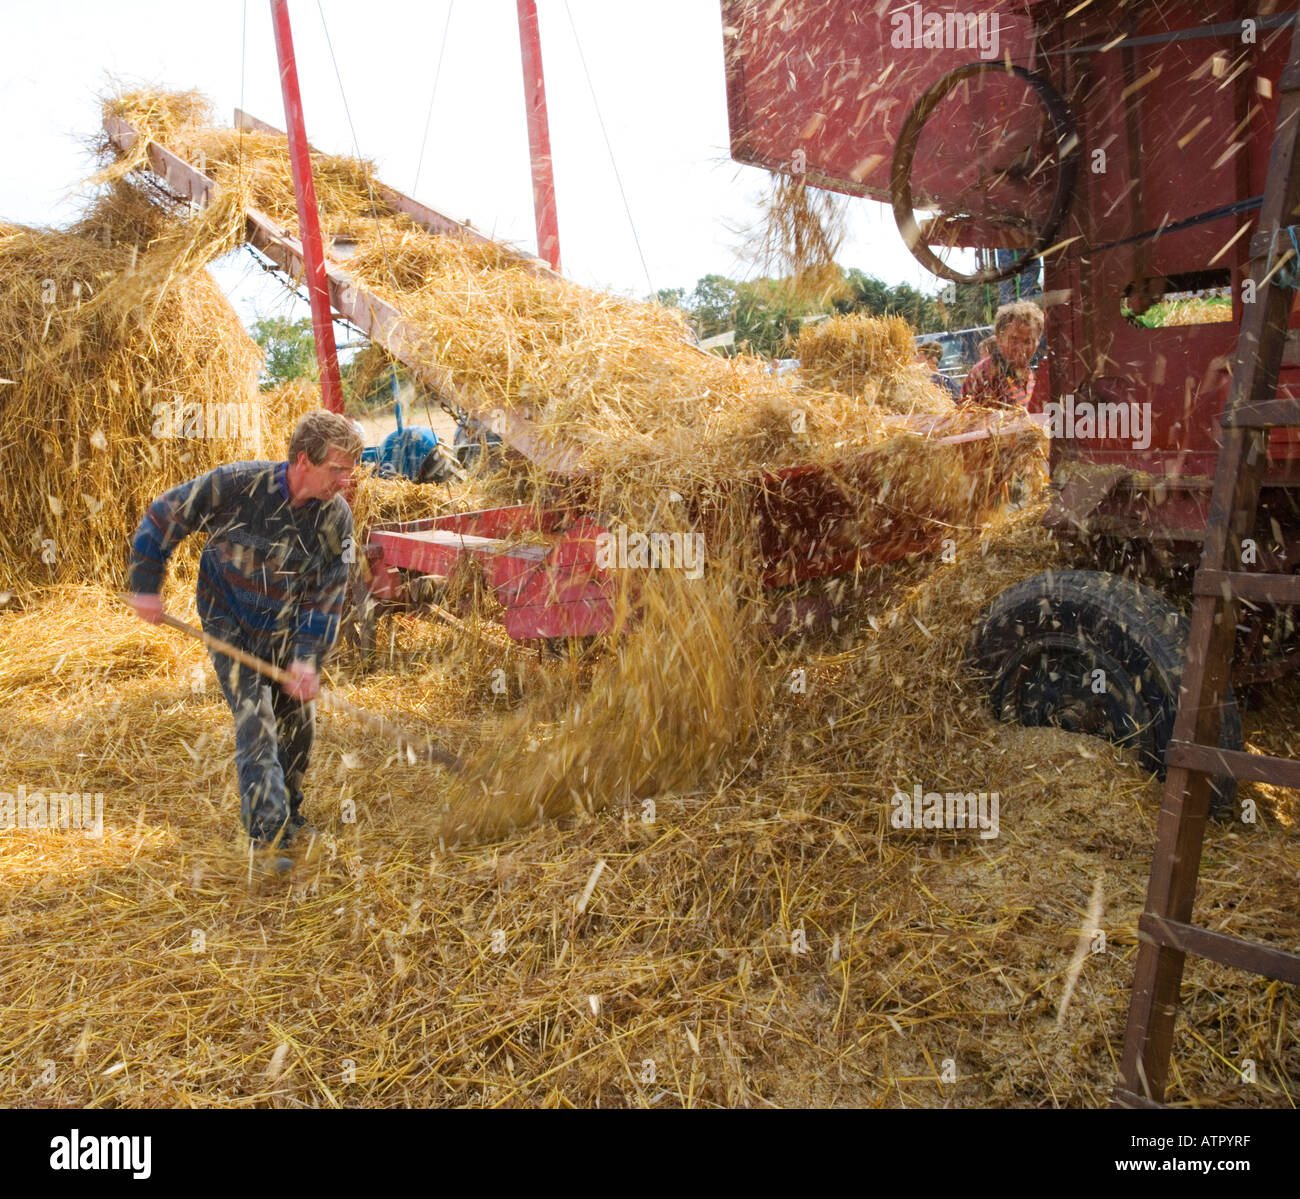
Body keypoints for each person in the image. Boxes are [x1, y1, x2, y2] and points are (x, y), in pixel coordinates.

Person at [124, 410, 363, 867]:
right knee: (257, 722)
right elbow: (165, 513)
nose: (345, 480)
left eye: (350, 471)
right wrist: (146, 584)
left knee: (298, 725)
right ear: (302, 460)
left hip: (289, 629)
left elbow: (330, 593)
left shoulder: (336, 520)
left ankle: (290, 813)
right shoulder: (237, 485)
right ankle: (268, 838)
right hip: (229, 618)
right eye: (337, 469)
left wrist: (307, 658)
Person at [960, 300, 1044, 409]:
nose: (1021, 348)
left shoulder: (1027, 374)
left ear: (1037, 343)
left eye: (1028, 342)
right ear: (999, 338)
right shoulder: (986, 375)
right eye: (1014, 340)